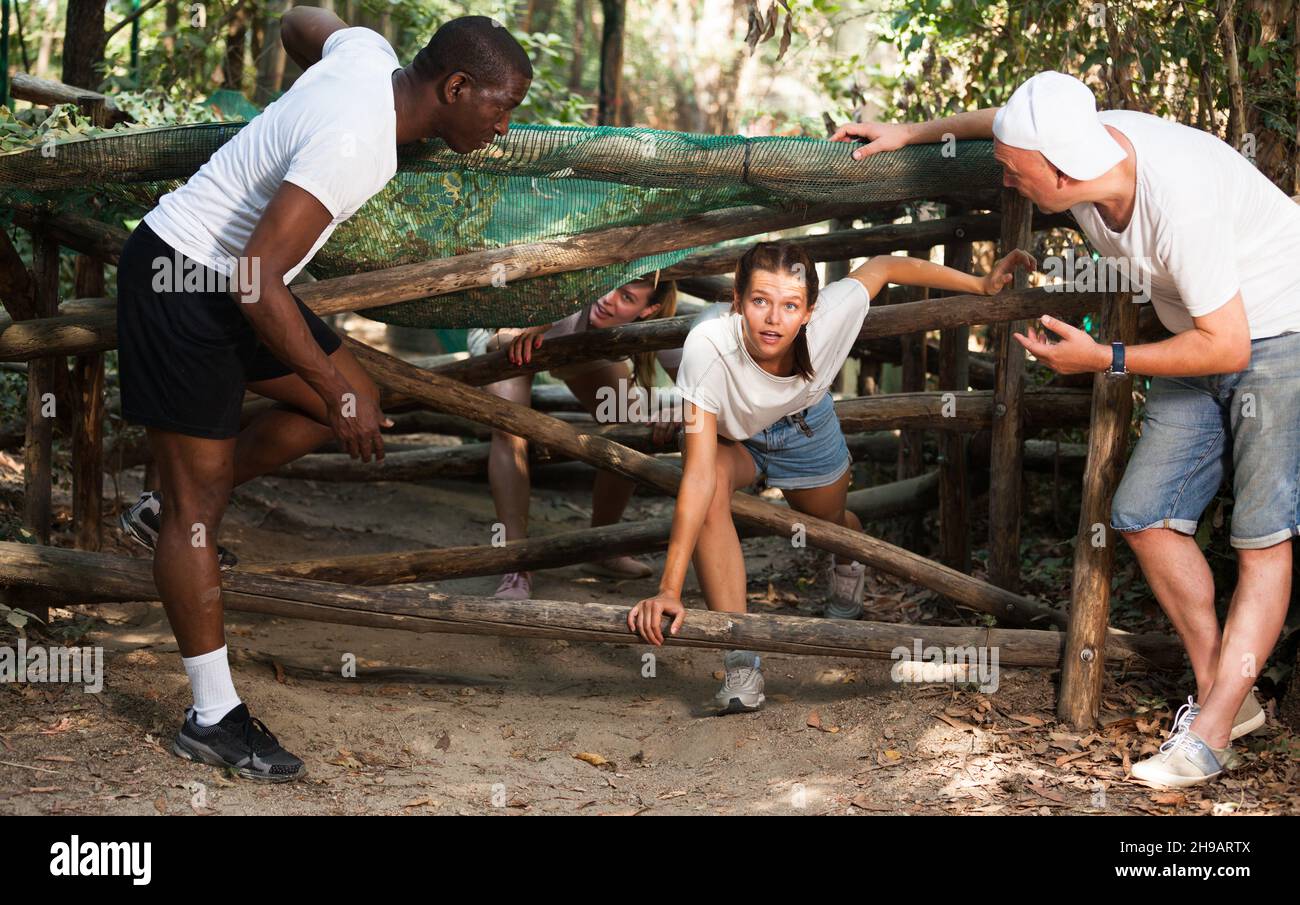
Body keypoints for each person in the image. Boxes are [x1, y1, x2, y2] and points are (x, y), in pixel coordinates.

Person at [834, 70, 1300, 788]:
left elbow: (1232, 345)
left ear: (1059, 170)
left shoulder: (1179, 200)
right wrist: (910, 133)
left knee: (1261, 538)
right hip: (1199, 336)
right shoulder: (1074, 133)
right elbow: (1008, 120)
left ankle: (1207, 738)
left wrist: (1105, 358)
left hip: (1279, 333)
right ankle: (1225, 698)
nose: (1008, 179)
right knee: (1143, 514)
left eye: (1016, 173)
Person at [114, 7, 532, 781]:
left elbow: (299, 20)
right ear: (457, 85)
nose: (504, 126)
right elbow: (252, 277)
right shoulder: (354, 141)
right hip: (184, 280)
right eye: (501, 107)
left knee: (346, 405)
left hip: (233, 283)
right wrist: (333, 385)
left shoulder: (368, 57)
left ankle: (163, 506)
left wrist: (339, 391)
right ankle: (211, 714)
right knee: (210, 503)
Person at [627, 240, 1032, 712]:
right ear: (736, 300)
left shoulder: (830, 317)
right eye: (760, 301)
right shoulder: (707, 345)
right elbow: (695, 476)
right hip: (732, 439)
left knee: (828, 525)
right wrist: (669, 589)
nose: (774, 318)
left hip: (803, 427)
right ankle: (742, 659)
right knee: (711, 492)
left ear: (809, 310)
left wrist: (980, 284)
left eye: (790, 305)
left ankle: (847, 563)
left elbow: (883, 265)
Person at [468, 275, 682, 599]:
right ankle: (514, 564)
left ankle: (601, 547)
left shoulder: (658, 325)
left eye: (627, 298)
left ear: (647, 311)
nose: (609, 298)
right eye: (613, 284)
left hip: (571, 344)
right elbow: (501, 338)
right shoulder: (575, 293)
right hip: (505, 337)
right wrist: (531, 324)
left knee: (629, 428)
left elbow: (699, 389)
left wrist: (679, 410)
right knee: (511, 429)